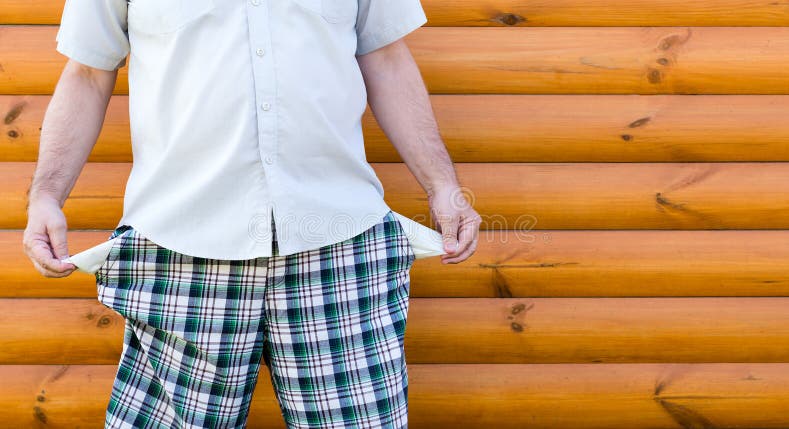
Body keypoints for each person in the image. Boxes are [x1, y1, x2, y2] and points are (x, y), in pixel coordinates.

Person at [23, 0, 480, 427]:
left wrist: (443, 185)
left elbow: (387, 58)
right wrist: (46, 195)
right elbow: (88, 72)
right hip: (179, 248)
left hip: (339, 243)